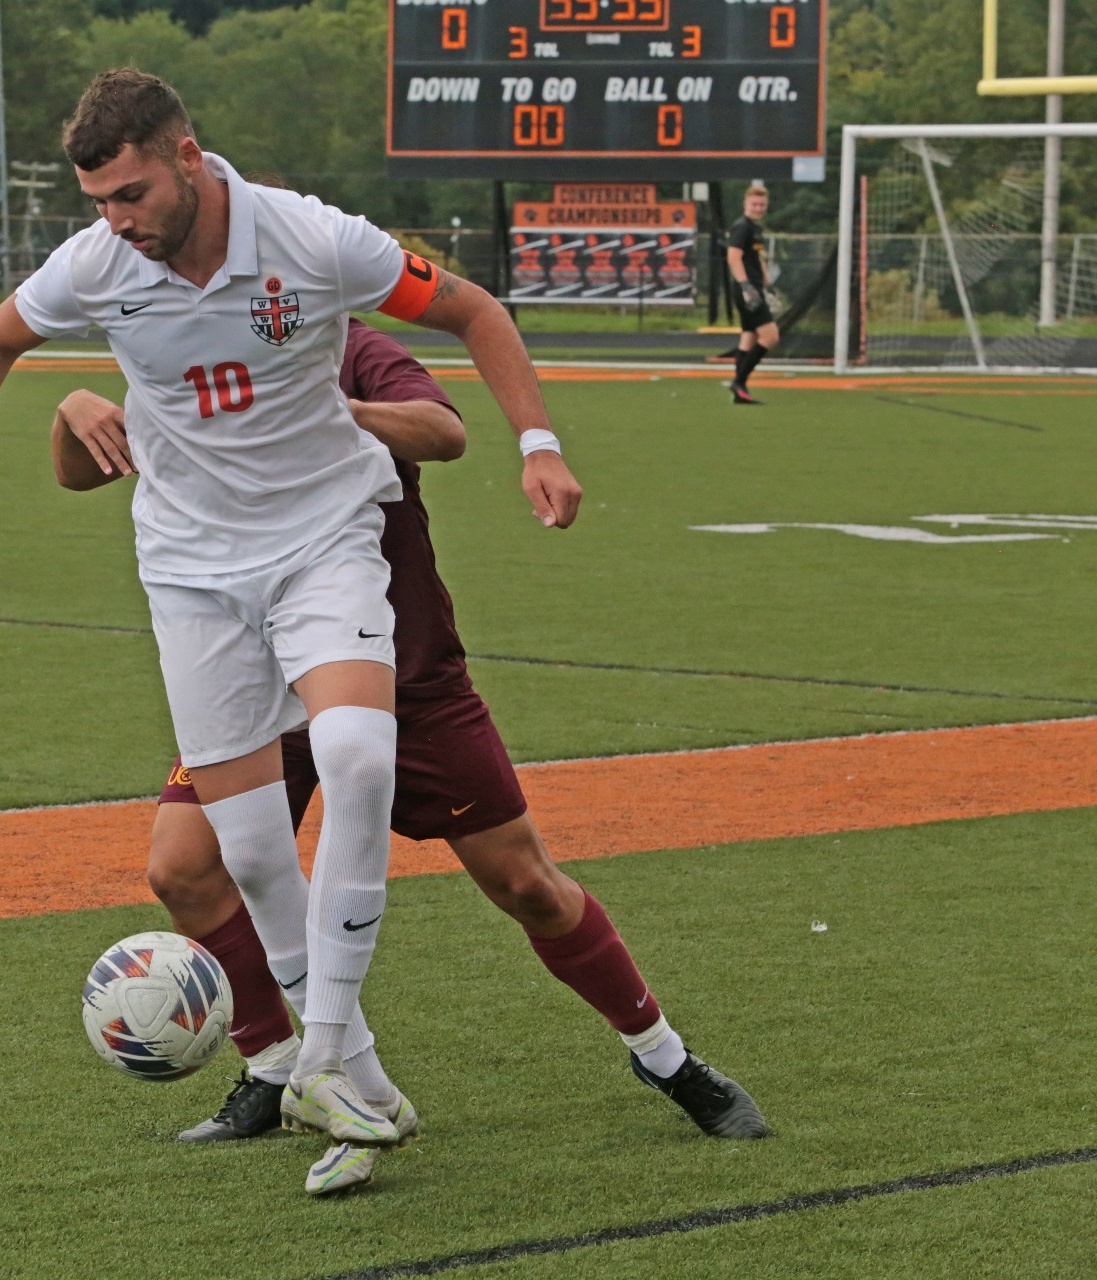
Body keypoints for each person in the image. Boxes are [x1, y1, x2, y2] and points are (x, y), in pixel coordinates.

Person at [0, 69, 579, 1196]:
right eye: (100, 200)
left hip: (323, 544)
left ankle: (320, 1049)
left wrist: (538, 440)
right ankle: (347, 1068)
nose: (117, 221)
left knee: (355, 754)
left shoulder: (311, 238)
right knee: (247, 850)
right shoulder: (101, 264)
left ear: (189, 157)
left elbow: (475, 311)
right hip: (192, 577)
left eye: (131, 193)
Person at [54, 320, 768, 1197]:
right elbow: (79, 466)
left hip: (406, 677)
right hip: (257, 684)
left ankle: (663, 1057)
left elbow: (443, 431)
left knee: (527, 885)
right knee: (184, 870)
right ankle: (283, 1068)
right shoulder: (192, 354)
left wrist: (330, 410)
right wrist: (74, 402)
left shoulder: (348, 342)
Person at [728, 183, 780, 405]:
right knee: (770, 336)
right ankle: (739, 381)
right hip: (746, 289)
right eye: (754, 204)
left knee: (748, 338)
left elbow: (755, 257)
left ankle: (740, 390)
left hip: (754, 287)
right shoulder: (742, 227)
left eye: (762, 204)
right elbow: (733, 257)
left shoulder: (755, 228)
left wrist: (766, 280)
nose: (758, 208)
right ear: (745, 204)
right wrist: (746, 286)